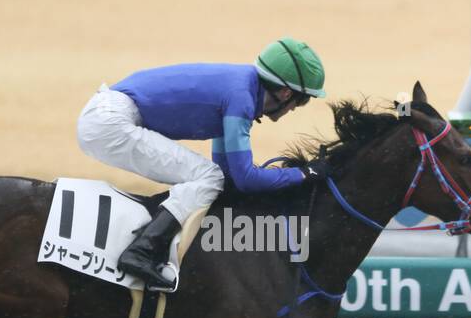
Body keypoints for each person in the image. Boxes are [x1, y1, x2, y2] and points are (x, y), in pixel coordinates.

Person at [76, 37, 327, 288]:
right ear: (285, 93)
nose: (294, 109)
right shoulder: (241, 97)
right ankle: (142, 250)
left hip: (106, 115)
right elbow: (245, 178)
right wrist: (304, 174)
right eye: (301, 100)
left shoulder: (241, 87)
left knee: (211, 176)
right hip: (109, 122)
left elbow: (229, 174)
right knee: (208, 177)